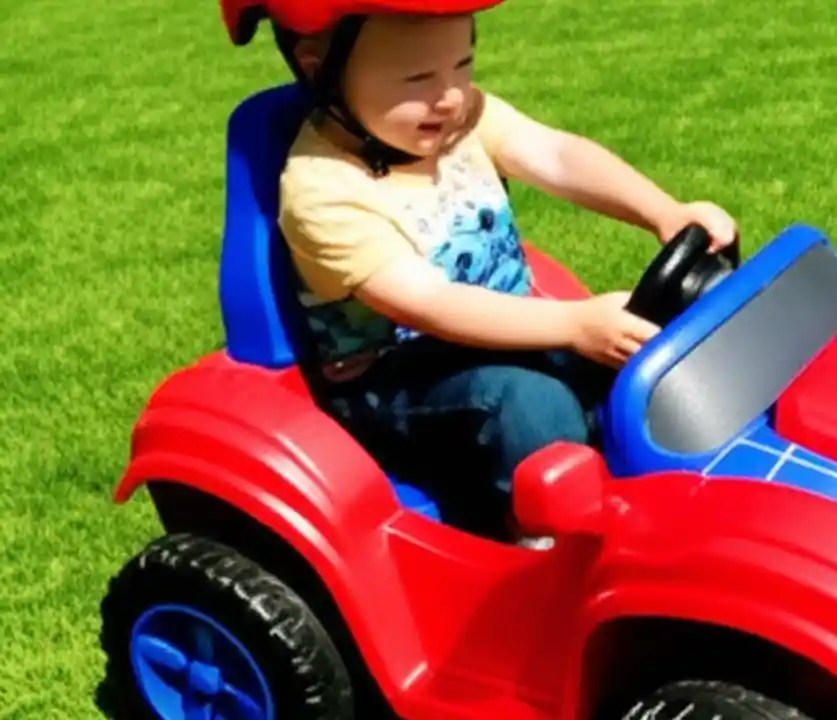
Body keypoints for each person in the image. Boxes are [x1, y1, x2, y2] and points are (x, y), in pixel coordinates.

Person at [218, 1, 738, 544]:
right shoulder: (323, 192)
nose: (449, 95)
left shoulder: (460, 120)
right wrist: (576, 325)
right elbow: (430, 303)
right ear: (315, 65)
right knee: (531, 407)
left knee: (646, 345)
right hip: (396, 380)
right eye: (418, 78)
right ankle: (533, 545)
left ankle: (677, 487)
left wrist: (664, 212)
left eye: (462, 66)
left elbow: (555, 155)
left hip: (502, 331)